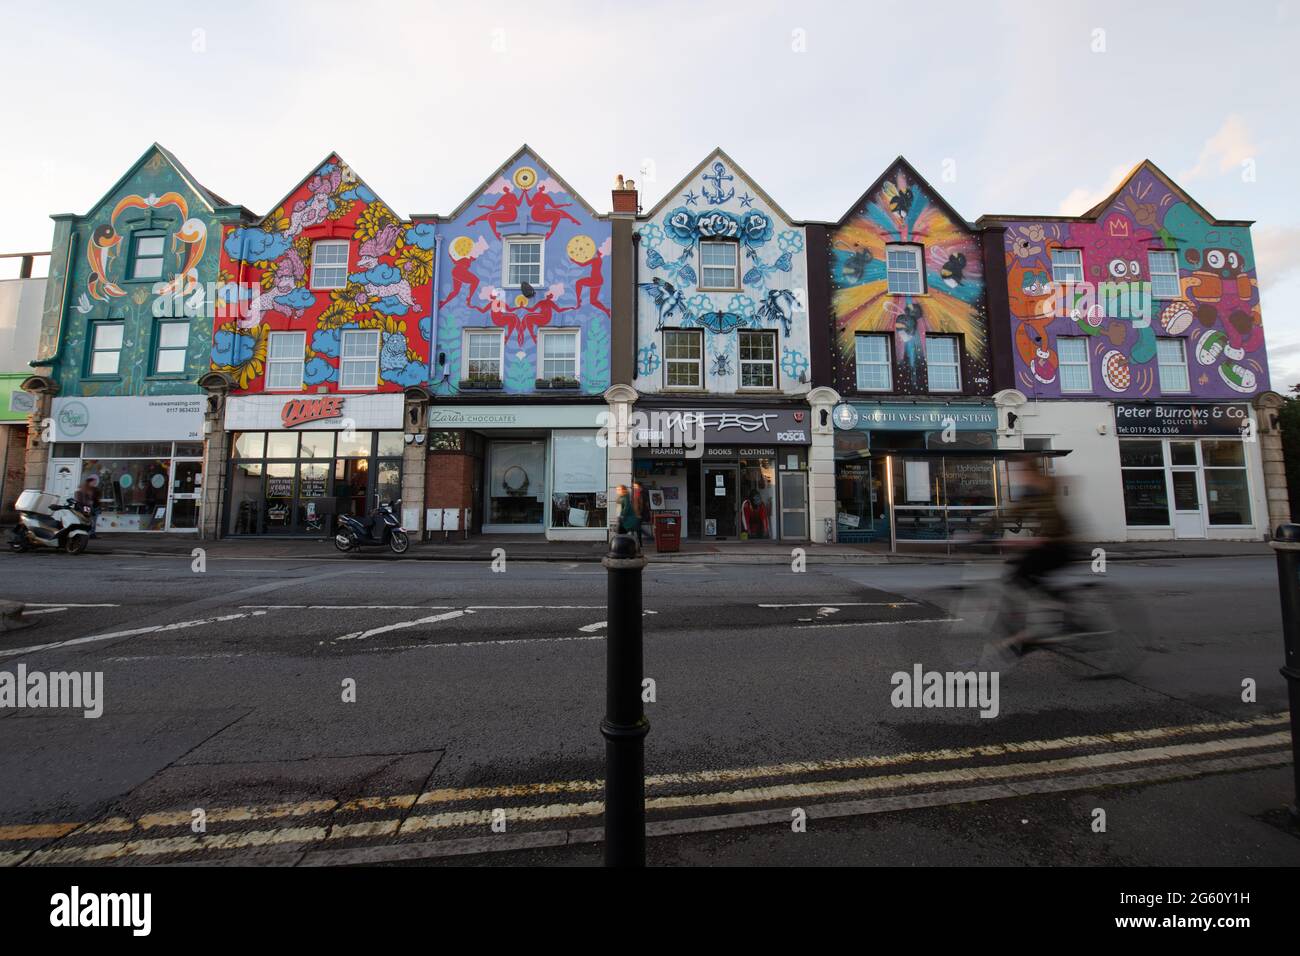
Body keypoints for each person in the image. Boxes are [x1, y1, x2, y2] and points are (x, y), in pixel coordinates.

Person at [997, 457, 1076, 651]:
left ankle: (1048, 619)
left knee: (1023, 573)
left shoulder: (1042, 487)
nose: (1017, 476)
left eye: (1019, 472)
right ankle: (1052, 611)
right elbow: (1013, 513)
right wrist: (981, 531)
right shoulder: (1031, 491)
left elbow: (1052, 514)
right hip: (1051, 543)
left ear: (1028, 471)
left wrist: (1046, 536)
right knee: (1019, 573)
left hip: (1060, 545)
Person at [615, 484, 641, 552]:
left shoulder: (625, 498)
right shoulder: (620, 497)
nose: (617, 491)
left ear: (623, 490)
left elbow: (626, 508)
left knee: (621, 533)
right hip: (623, 519)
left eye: (619, 489)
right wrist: (618, 516)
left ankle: (623, 548)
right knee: (621, 533)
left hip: (627, 519)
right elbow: (619, 508)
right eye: (617, 489)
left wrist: (622, 515)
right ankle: (623, 547)